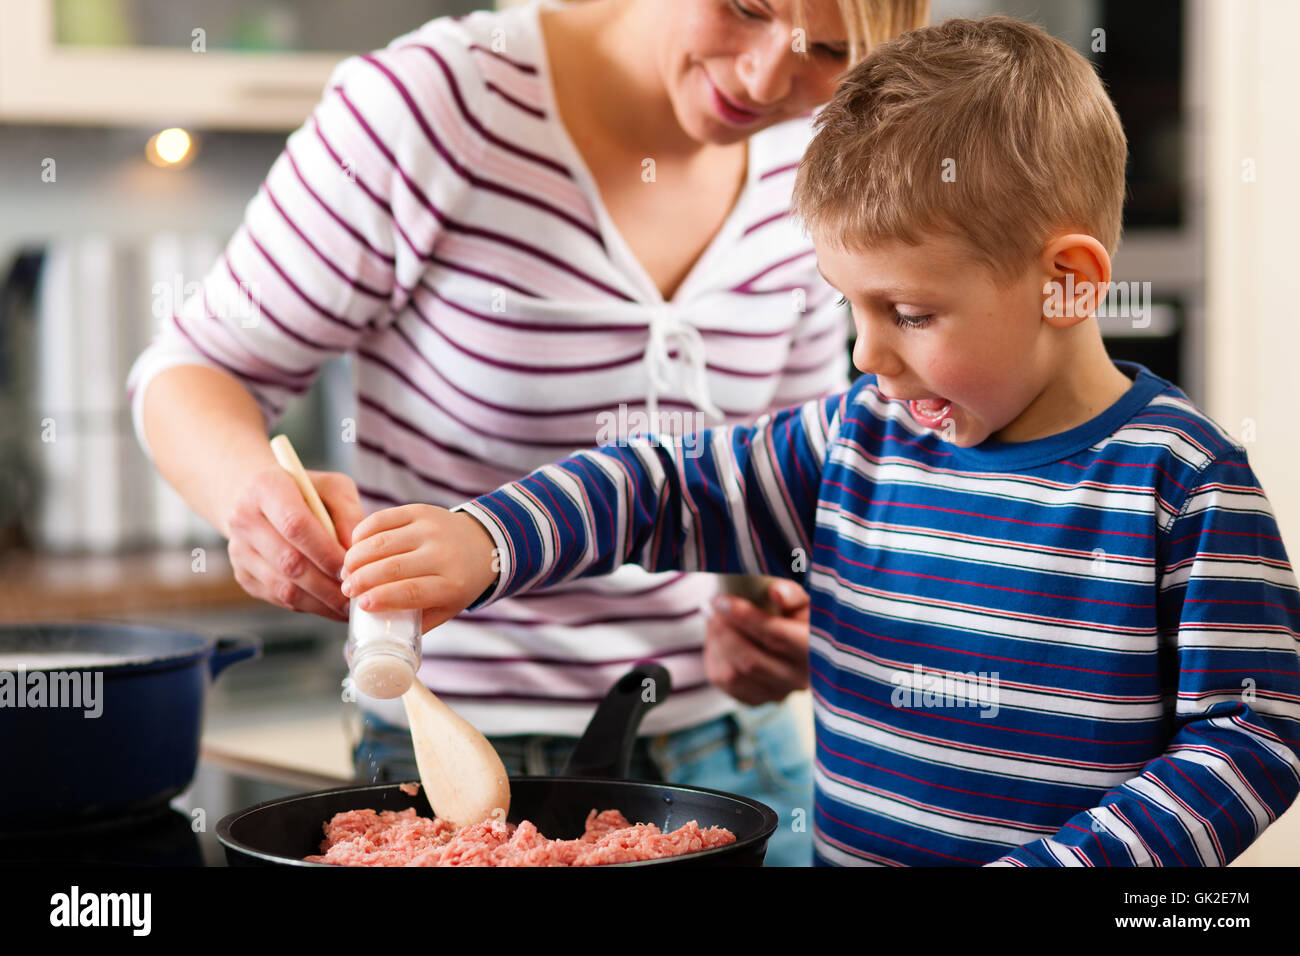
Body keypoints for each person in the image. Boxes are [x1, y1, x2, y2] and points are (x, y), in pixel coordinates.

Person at [336, 15, 1300, 866]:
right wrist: (490, 541)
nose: (866, 352)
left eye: (911, 313)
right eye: (851, 307)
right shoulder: (856, 443)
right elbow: (662, 485)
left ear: (1069, 282)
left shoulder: (1183, 484)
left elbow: (1251, 738)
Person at [128, 0, 929, 867]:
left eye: (829, 48)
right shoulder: (435, 106)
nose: (767, 76)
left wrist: (765, 611)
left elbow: (769, 475)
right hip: (454, 772)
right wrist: (251, 500)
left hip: (734, 768)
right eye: (746, 7)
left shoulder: (821, 153)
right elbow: (192, 370)